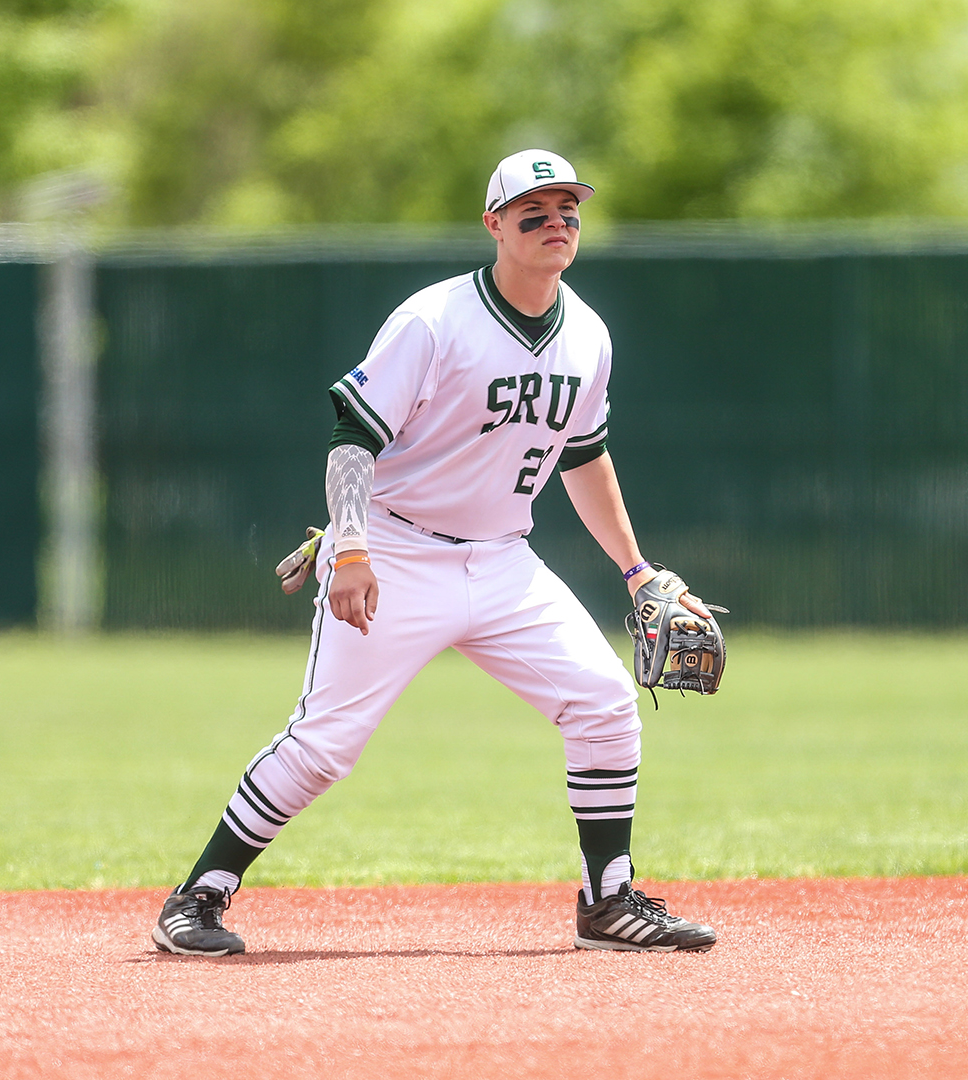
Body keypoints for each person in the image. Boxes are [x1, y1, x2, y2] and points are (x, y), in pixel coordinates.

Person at [152, 149, 718, 956]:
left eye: (568, 209)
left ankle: (608, 903)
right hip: (396, 550)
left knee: (603, 703)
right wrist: (352, 547)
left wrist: (637, 571)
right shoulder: (435, 320)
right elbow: (352, 439)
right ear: (495, 224)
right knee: (325, 745)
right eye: (534, 211)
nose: (556, 222)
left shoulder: (588, 334)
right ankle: (197, 898)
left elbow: (584, 457)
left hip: (504, 562)